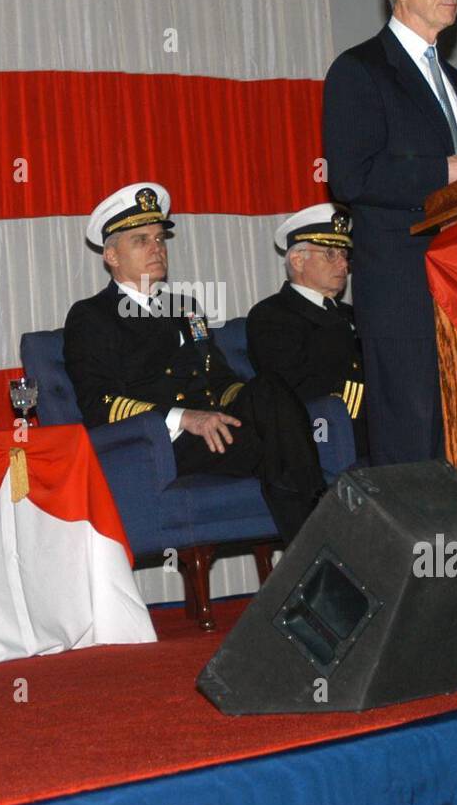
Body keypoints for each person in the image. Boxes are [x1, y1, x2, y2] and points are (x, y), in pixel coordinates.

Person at [62, 182, 325, 544]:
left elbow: (219, 379)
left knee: (269, 395)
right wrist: (185, 417)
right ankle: (319, 541)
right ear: (111, 256)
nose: (156, 248)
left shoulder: (184, 307)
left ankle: (308, 545)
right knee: (284, 440)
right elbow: (99, 402)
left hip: (216, 431)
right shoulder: (92, 315)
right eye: (141, 240)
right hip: (161, 443)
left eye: (160, 239)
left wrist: (241, 403)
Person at [323, 0, 457, 465]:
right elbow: (350, 177)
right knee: (414, 429)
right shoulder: (360, 70)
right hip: (400, 281)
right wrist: (444, 169)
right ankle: (421, 547)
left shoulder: (456, 81)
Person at [246, 203, 367, 460]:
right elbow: (293, 387)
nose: (343, 264)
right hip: (324, 430)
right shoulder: (271, 315)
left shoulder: (352, 314)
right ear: (298, 260)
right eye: (331, 254)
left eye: (345, 255)